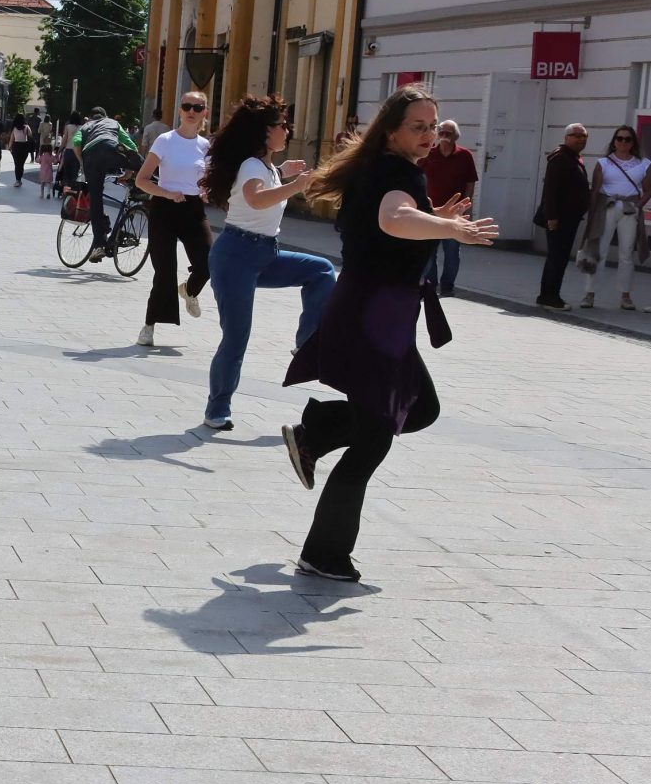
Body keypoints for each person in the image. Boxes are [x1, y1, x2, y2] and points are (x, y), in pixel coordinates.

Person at [283, 84, 496, 581]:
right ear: (393, 130)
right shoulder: (395, 174)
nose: (428, 135)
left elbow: (395, 219)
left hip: (377, 315)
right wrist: (447, 229)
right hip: (373, 319)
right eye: (418, 127)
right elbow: (394, 218)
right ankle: (324, 553)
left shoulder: (381, 169)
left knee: (421, 408)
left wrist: (436, 217)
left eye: (433, 126)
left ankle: (317, 431)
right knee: (375, 439)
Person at [196, 94, 335, 431]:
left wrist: (284, 174)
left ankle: (306, 344)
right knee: (236, 336)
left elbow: (263, 183)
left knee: (322, 270)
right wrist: (296, 185)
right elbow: (255, 199)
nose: (287, 131)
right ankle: (217, 408)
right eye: (281, 126)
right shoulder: (251, 166)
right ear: (264, 132)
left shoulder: (264, 165)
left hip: (264, 253)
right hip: (235, 256)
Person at [132, 91, 213, 346]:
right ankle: (148, 326)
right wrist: (166, 193)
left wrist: (206, 190)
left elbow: (209, 180)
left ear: (204, 113)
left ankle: (189, 290)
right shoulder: (165, 140)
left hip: (193, 209)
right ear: (179, 110)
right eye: (187, 106)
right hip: (165, 208)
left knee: (209, 261)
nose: (192, 111)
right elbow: (141, 180)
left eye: (197, 107)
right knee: (164, 271)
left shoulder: (205, 146)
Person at [577, 125, 651, 311]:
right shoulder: (604, 163)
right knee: (598, 251)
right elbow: (595, 190)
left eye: (628, 139)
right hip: (606, 208)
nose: (623, 142)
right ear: (614, 141)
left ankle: (625, 296)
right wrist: (591, 213)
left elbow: (648, 190)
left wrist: (638, 205)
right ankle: (590, 294)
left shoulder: (642, 164)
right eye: (619, 138)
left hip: (629, 209)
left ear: (633, 142)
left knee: (626, 254)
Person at [418, 118, 478, 296]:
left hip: (455, 213)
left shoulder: (465, 156)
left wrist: (467, 204)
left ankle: (447, 286)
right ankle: (430, 284)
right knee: (429, 252)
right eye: (441, 132)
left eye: (448, 134)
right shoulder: (428, 154)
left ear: (455, 136)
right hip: (431, 211)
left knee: (452, 252)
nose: (443, 136)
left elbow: (470, 182)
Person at [72, 107, 141, 262]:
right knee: (140, 164)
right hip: (112, 149)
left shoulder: (85, 126)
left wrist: (83, 163)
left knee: (96, 201)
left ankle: (99, 246)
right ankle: (150, 183)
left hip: (91, 157)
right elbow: (131, 144)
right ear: (105, 116)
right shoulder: (113, 123)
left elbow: (76, 143)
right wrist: (129, 171)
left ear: (90, 118)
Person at [535, 124, 590, 311]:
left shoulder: (573, 157)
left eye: (584, 136)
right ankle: (550, 297)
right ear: (566, 137)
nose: (581, 139)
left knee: (558, 258)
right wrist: (551, 217)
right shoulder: (560, 158)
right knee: (557, 258)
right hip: (559, 218)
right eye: (576, 135)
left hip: (569, 218)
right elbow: (550, 190)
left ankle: (547, 295)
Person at [8, 114, 33, 186]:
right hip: (24, 146)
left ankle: (17, 180)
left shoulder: (14, 128)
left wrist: (10, 147)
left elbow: (11, 139)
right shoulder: (26, 127)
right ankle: (19, 179)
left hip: (16, 146)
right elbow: (30, 137)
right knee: (21, 164)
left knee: (17, 164)